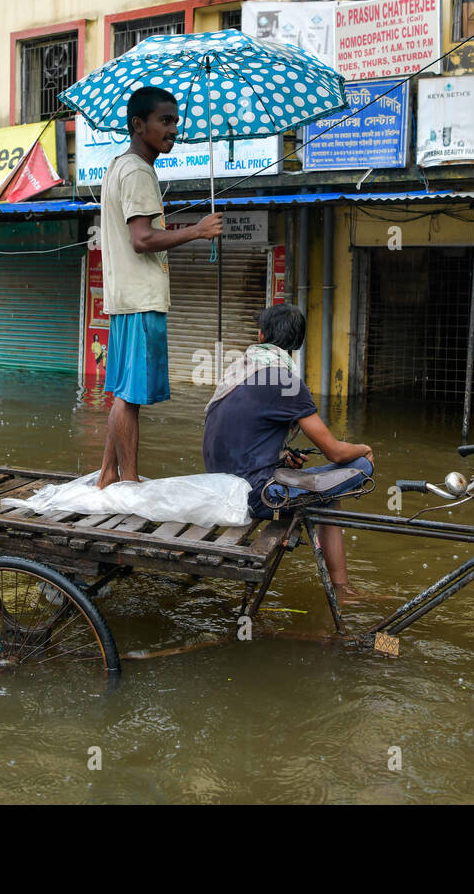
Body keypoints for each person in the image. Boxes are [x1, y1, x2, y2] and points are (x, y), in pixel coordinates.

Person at [96, 86, 223, 489]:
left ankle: (107, 475)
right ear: (139, 125)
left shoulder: (120, 165)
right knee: (129, 396)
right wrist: (198, 231)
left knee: (123, 392)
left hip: (127, 300)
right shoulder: (137, 171)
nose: (174, 130)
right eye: (165, 121)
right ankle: (129, 481)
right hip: (139, 299)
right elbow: (142, 238)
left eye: (175, 121)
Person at [203, 303, 374, 596]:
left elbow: (239, 436)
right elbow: (334, 452)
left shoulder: (239, 369)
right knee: (360, 467)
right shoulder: (285, 380)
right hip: (255, 494)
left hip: (221, 483)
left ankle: (342, 588)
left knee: (327, 492)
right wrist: (365, 449)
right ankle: (343, 591)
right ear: (297, 344)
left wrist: (281, 457)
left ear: (260, 336)